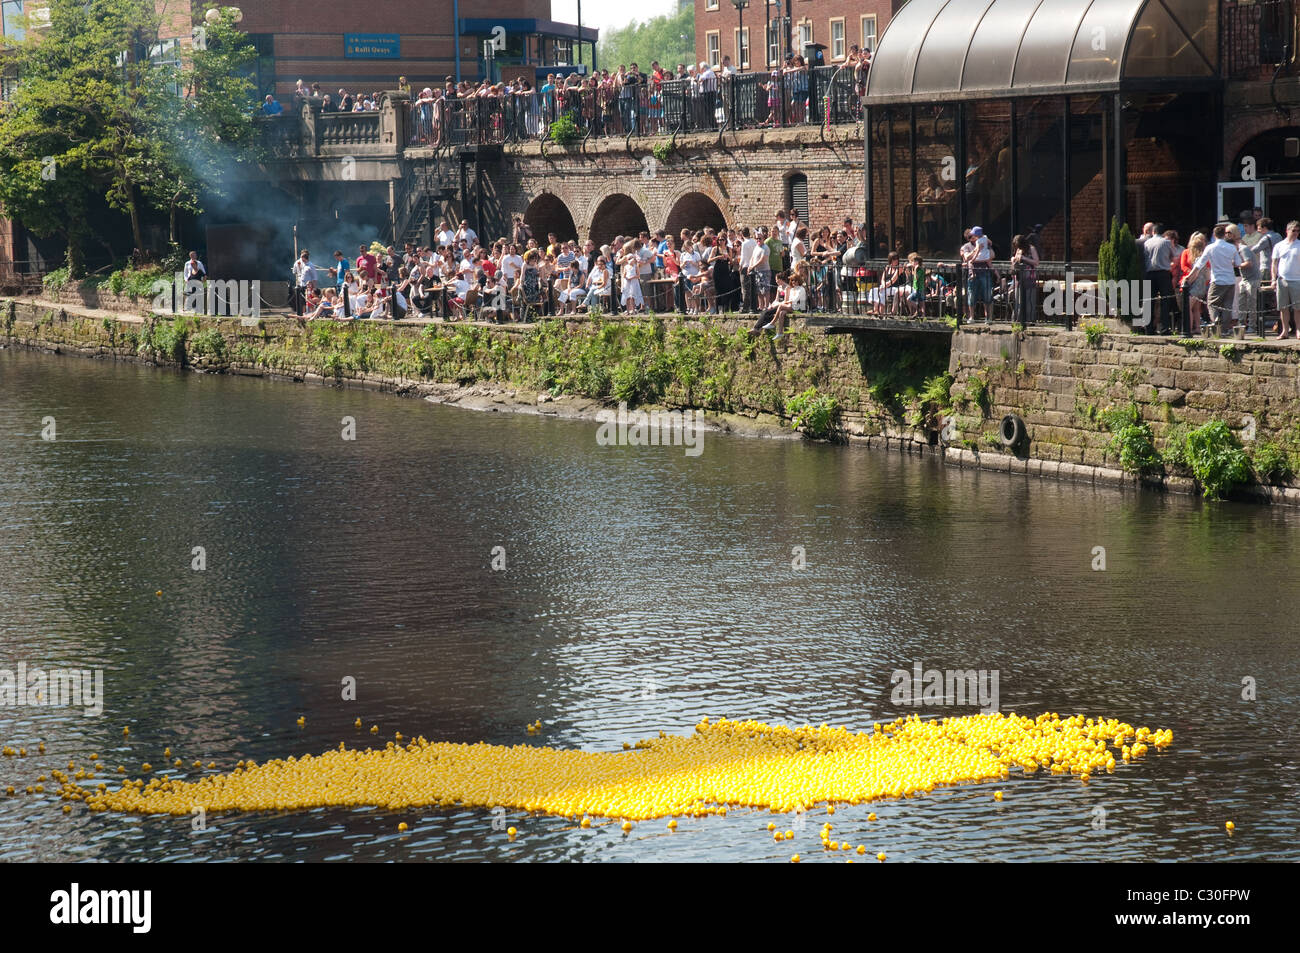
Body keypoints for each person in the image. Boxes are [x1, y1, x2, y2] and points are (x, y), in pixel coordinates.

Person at [1181, 223, 1237, 335]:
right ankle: (1224, 329)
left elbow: (1199, 265)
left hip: (1216, 280)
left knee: (1211, 304)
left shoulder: (1210, 248)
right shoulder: (1232, 247)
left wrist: (1189, 276)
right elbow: (1238, 263)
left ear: (1214, 235)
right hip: (1230, 280)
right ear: (1224, 235)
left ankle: (1215, 326)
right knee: (1227, 305)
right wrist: (1228, 263)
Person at [1267, 220, 1300, 338]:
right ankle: (1285, 331)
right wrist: (1273, 279)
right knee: (1283, 307)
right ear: (1287, 231)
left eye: (1297, 231)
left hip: (1297, 279)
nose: (1296, 233)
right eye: (1293, 230)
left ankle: (1298, 330)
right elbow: (1274, 263)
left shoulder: (1299, 244)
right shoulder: (1279, 245)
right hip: (1282, 279)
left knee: (1298, 308)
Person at [1141, 223, 1174, 334]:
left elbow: (1145, 257)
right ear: (1162, 232)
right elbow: (1172, 256)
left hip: (1149, 273)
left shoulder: (1146, 243)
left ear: (1153, 232)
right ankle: (1164, 327)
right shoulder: (1167, 242)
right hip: (1163, 274)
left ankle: (1148, 327)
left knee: (1148, 301)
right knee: (1166, 300)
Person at [291, 250, 317, 316]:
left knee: (309, 300)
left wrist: (314, 287)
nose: (301, 260)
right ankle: (302, 313)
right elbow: (294, 272)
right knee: (301, 300)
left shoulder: (310, 265)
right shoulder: (300, 263)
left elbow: (314, 277)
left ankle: (310, 313)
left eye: (302, 258)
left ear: (305, 258)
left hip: (308, 286)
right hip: (301, 285)